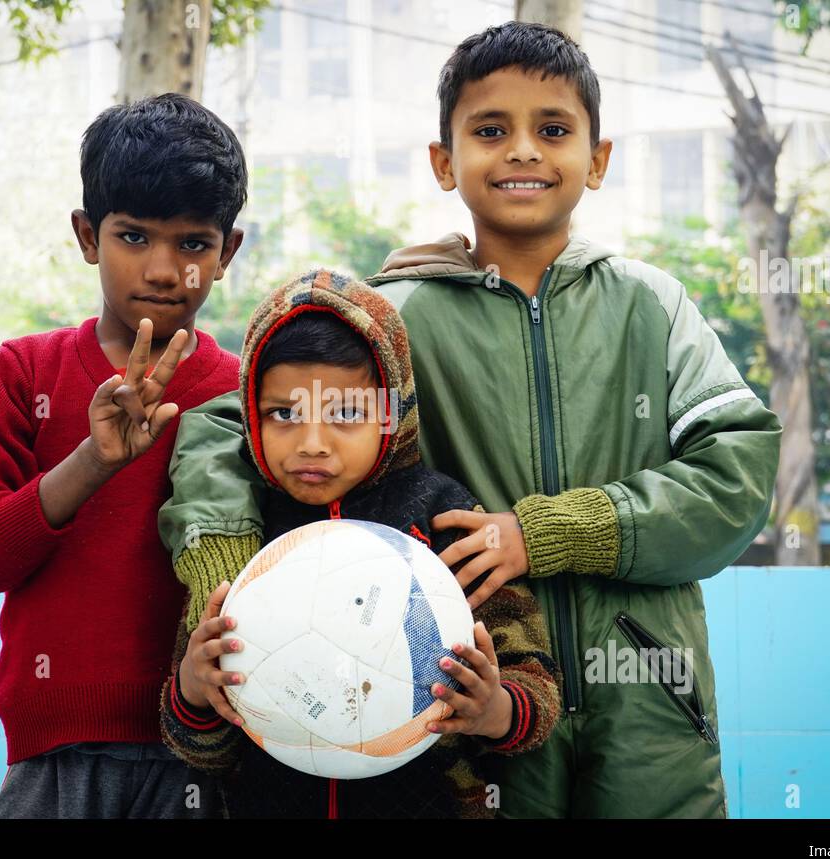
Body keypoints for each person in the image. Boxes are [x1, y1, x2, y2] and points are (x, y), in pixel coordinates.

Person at [157, 22, 782, 818]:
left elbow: (739, 474)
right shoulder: (399, 314)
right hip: (478, 728)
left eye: (552, 129)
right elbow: (225, 423)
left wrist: (547, 532)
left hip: (653, 709)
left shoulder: (651, 305)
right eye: (491, 130)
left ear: (598, 158)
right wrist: (230, 581)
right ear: (444, 161)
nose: (523, 150)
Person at [0, 94, 247, 818]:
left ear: (228, 253)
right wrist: (92, 461)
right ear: (86, 235)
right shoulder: (23, 373)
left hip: (206, 749)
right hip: (55, 763)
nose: (164, 269)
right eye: (133, 237)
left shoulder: (247, 391)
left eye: (193, 245)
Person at [159, 269, 560, 818]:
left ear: (393, 413)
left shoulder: (444, 520)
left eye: (346, 414)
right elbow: (198, 748)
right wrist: (192, 693)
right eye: (285, 414)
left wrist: (496, 711)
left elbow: (536, 685)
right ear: (252, 415)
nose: (313, 443)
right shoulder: (248, 542)